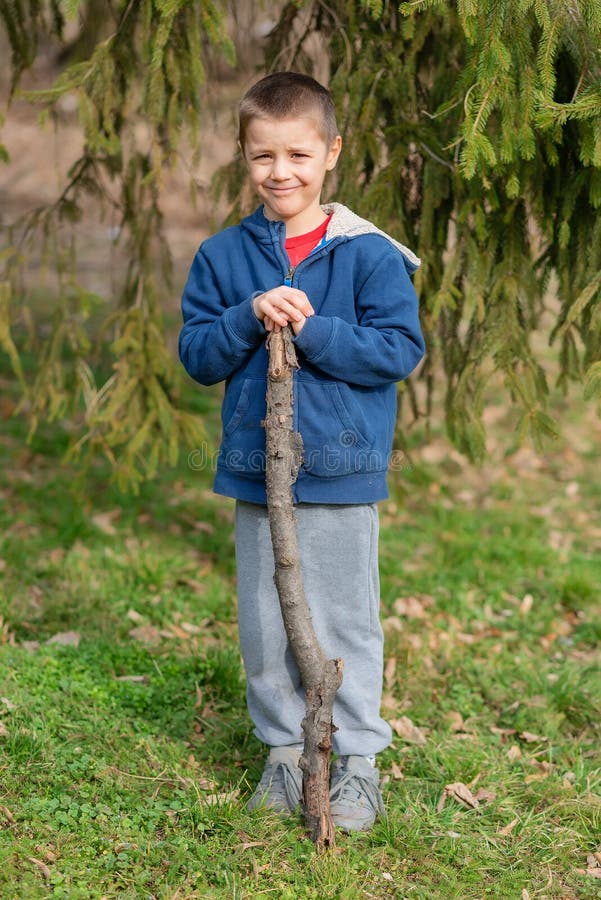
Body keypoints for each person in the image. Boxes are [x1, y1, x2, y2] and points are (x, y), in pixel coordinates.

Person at [179, 71, 425, 832]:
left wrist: (312, 329)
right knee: (263, 617)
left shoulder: (369, 254)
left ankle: (355, 760)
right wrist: (248, 315)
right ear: (245, 158)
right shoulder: (224, 256)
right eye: (262, 157)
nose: (279, 172)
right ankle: (284, 751)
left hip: (342, 470)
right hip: (258, 474)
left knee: (346, 619)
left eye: (297, 154)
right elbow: (196, 353)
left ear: (331, 153)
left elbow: (397, 350)